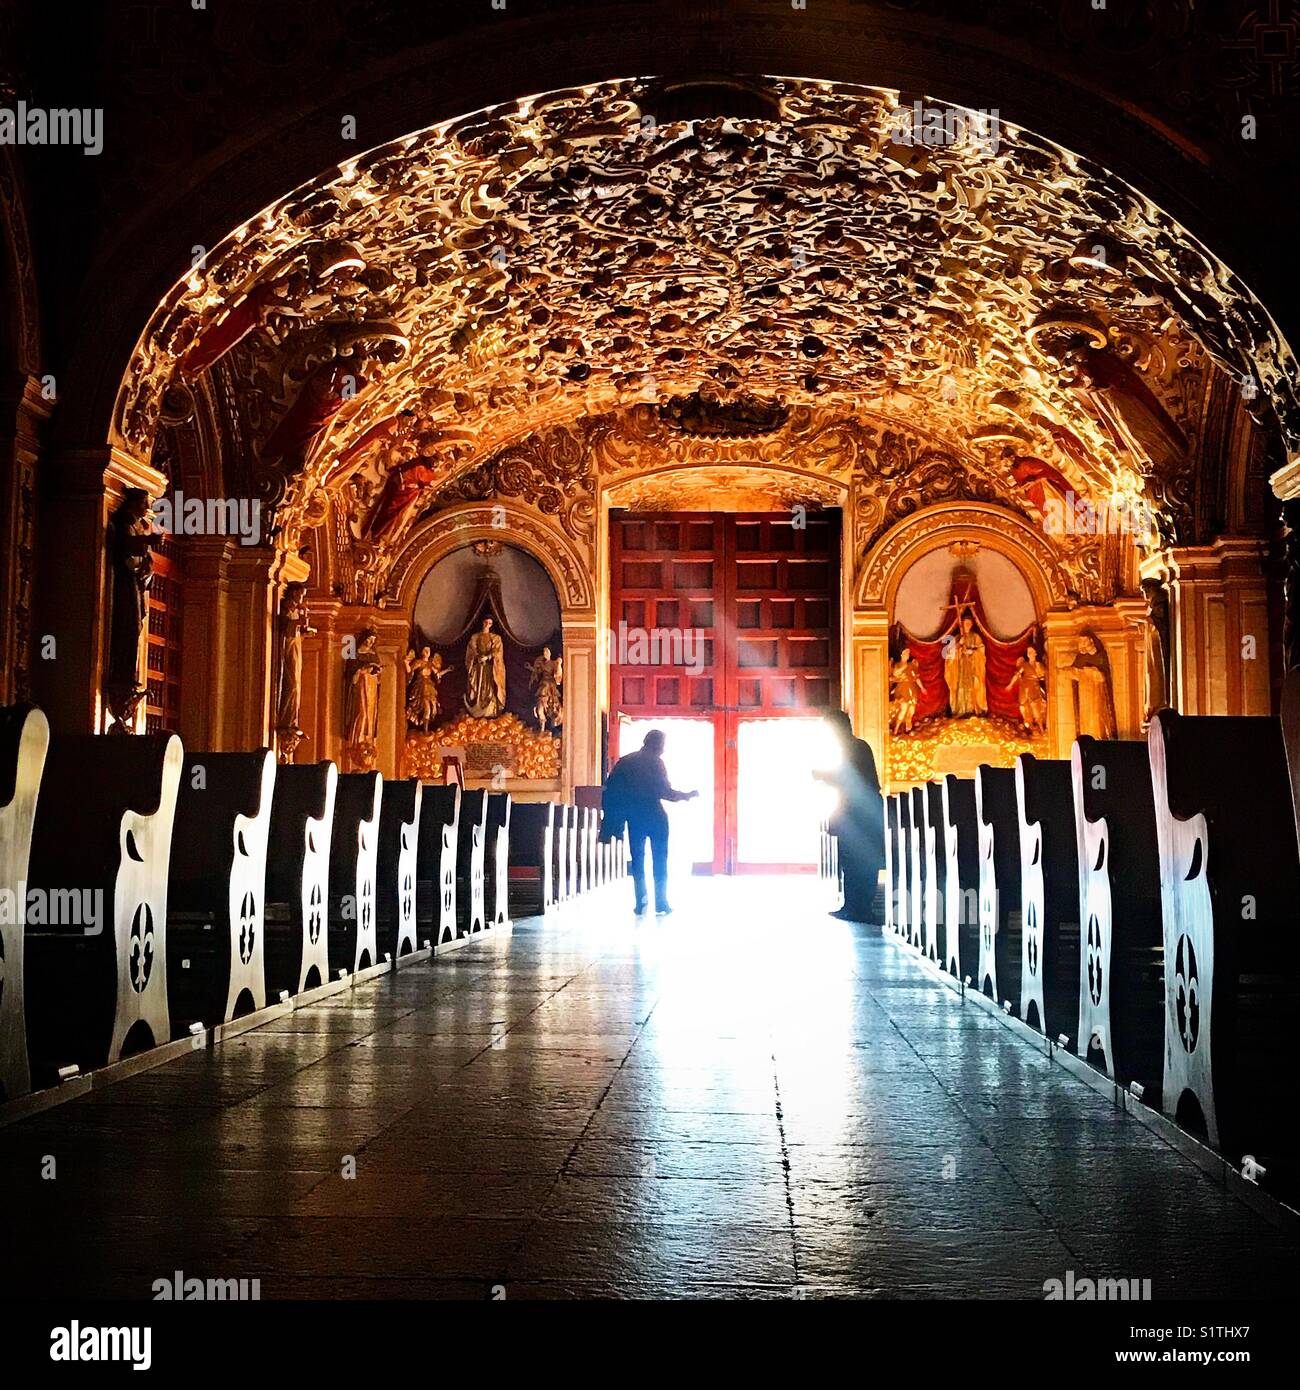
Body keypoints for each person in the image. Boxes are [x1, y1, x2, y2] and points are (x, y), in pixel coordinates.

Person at [602, 729, 698, 916]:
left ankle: (641, 901)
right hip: (655, 816)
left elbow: (611, 790)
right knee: (660, 859)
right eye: (663, 744)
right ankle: (661, 902)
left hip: (634, 817)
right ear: (658, 744)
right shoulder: (656, 762)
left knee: (637, 859)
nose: (663, 749)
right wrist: (686, 796)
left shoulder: (625, 761)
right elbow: (665, 792)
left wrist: (613, 821)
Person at [814, 709, 885, 924]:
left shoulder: (855, 747)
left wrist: (822, 775)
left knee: (860, 863)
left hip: (860, 813)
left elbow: (851, 780)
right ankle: (853, 906)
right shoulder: (852, 747)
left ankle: (859, 908)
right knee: (852, 862)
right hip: (854, 811)